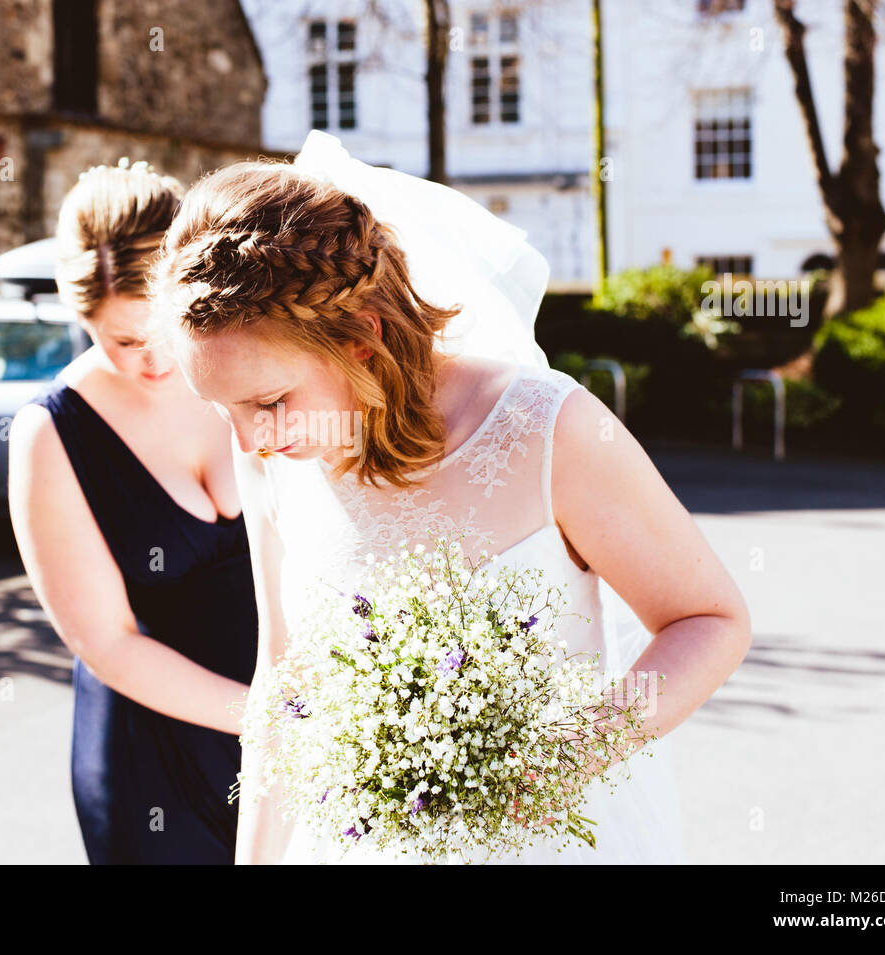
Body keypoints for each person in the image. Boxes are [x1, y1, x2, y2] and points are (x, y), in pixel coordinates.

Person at [144, 135, 752, 864]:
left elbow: (710, 619)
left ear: (361, 338)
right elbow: (284, 675)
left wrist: (559, 759)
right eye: (222, 410)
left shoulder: (549, 428)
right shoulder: (273, 455)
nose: (247, 442)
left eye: (269, 400)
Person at [7, 160, 256, 864]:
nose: (152, 359)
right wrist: (270, 719)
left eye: (164, 329)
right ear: (82, 318)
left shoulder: (250, 369)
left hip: (294, 736)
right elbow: (107, 641)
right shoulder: (52, 432)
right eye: (121, 341)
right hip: (154, 756)